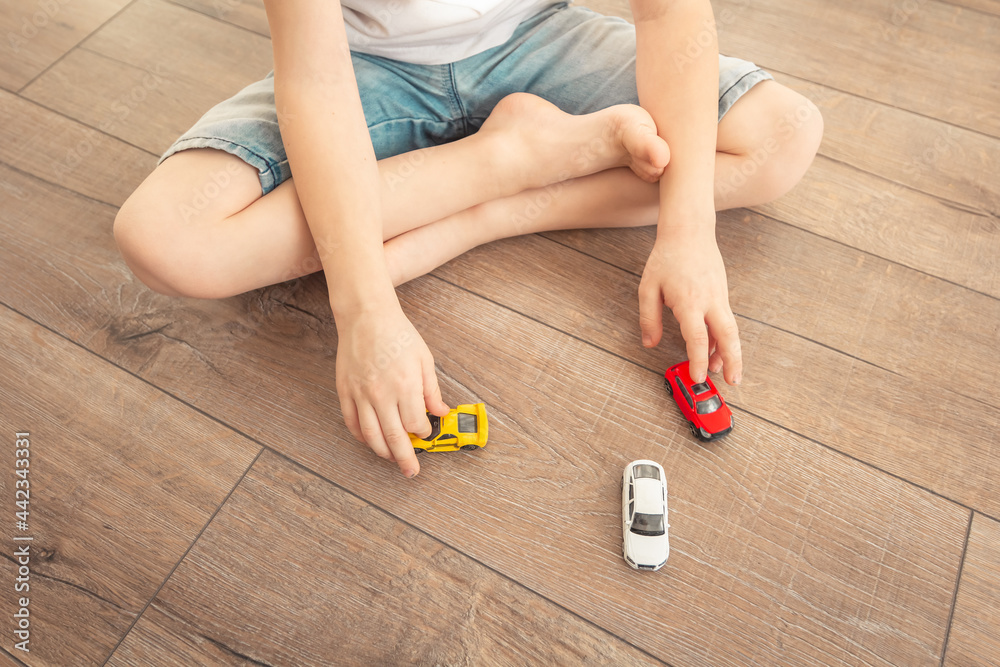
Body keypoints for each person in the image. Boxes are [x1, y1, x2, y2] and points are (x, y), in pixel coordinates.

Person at [113, 0, 823, 478]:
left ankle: (493, 208)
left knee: (786, 136)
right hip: (365, 73)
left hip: (540, 42)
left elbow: (671, 12)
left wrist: (689, 228)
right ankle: (509, 157)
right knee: (164, 239)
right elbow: (317, 79)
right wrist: (363, 308)